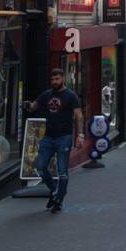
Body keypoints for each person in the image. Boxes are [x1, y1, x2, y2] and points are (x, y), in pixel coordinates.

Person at [29, 68, 84, 214]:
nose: (55, 82)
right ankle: (54, 190)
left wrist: (80, 135)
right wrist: (25, 104)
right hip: (48, 137)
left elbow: (79, 116)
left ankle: (59, 200)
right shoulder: (46, 95)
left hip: (64, 137)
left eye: (57, 79)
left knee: (62, 172)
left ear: (63, 79)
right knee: (40, 167)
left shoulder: (71, 96)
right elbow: (33, 106)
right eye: (53, 80)